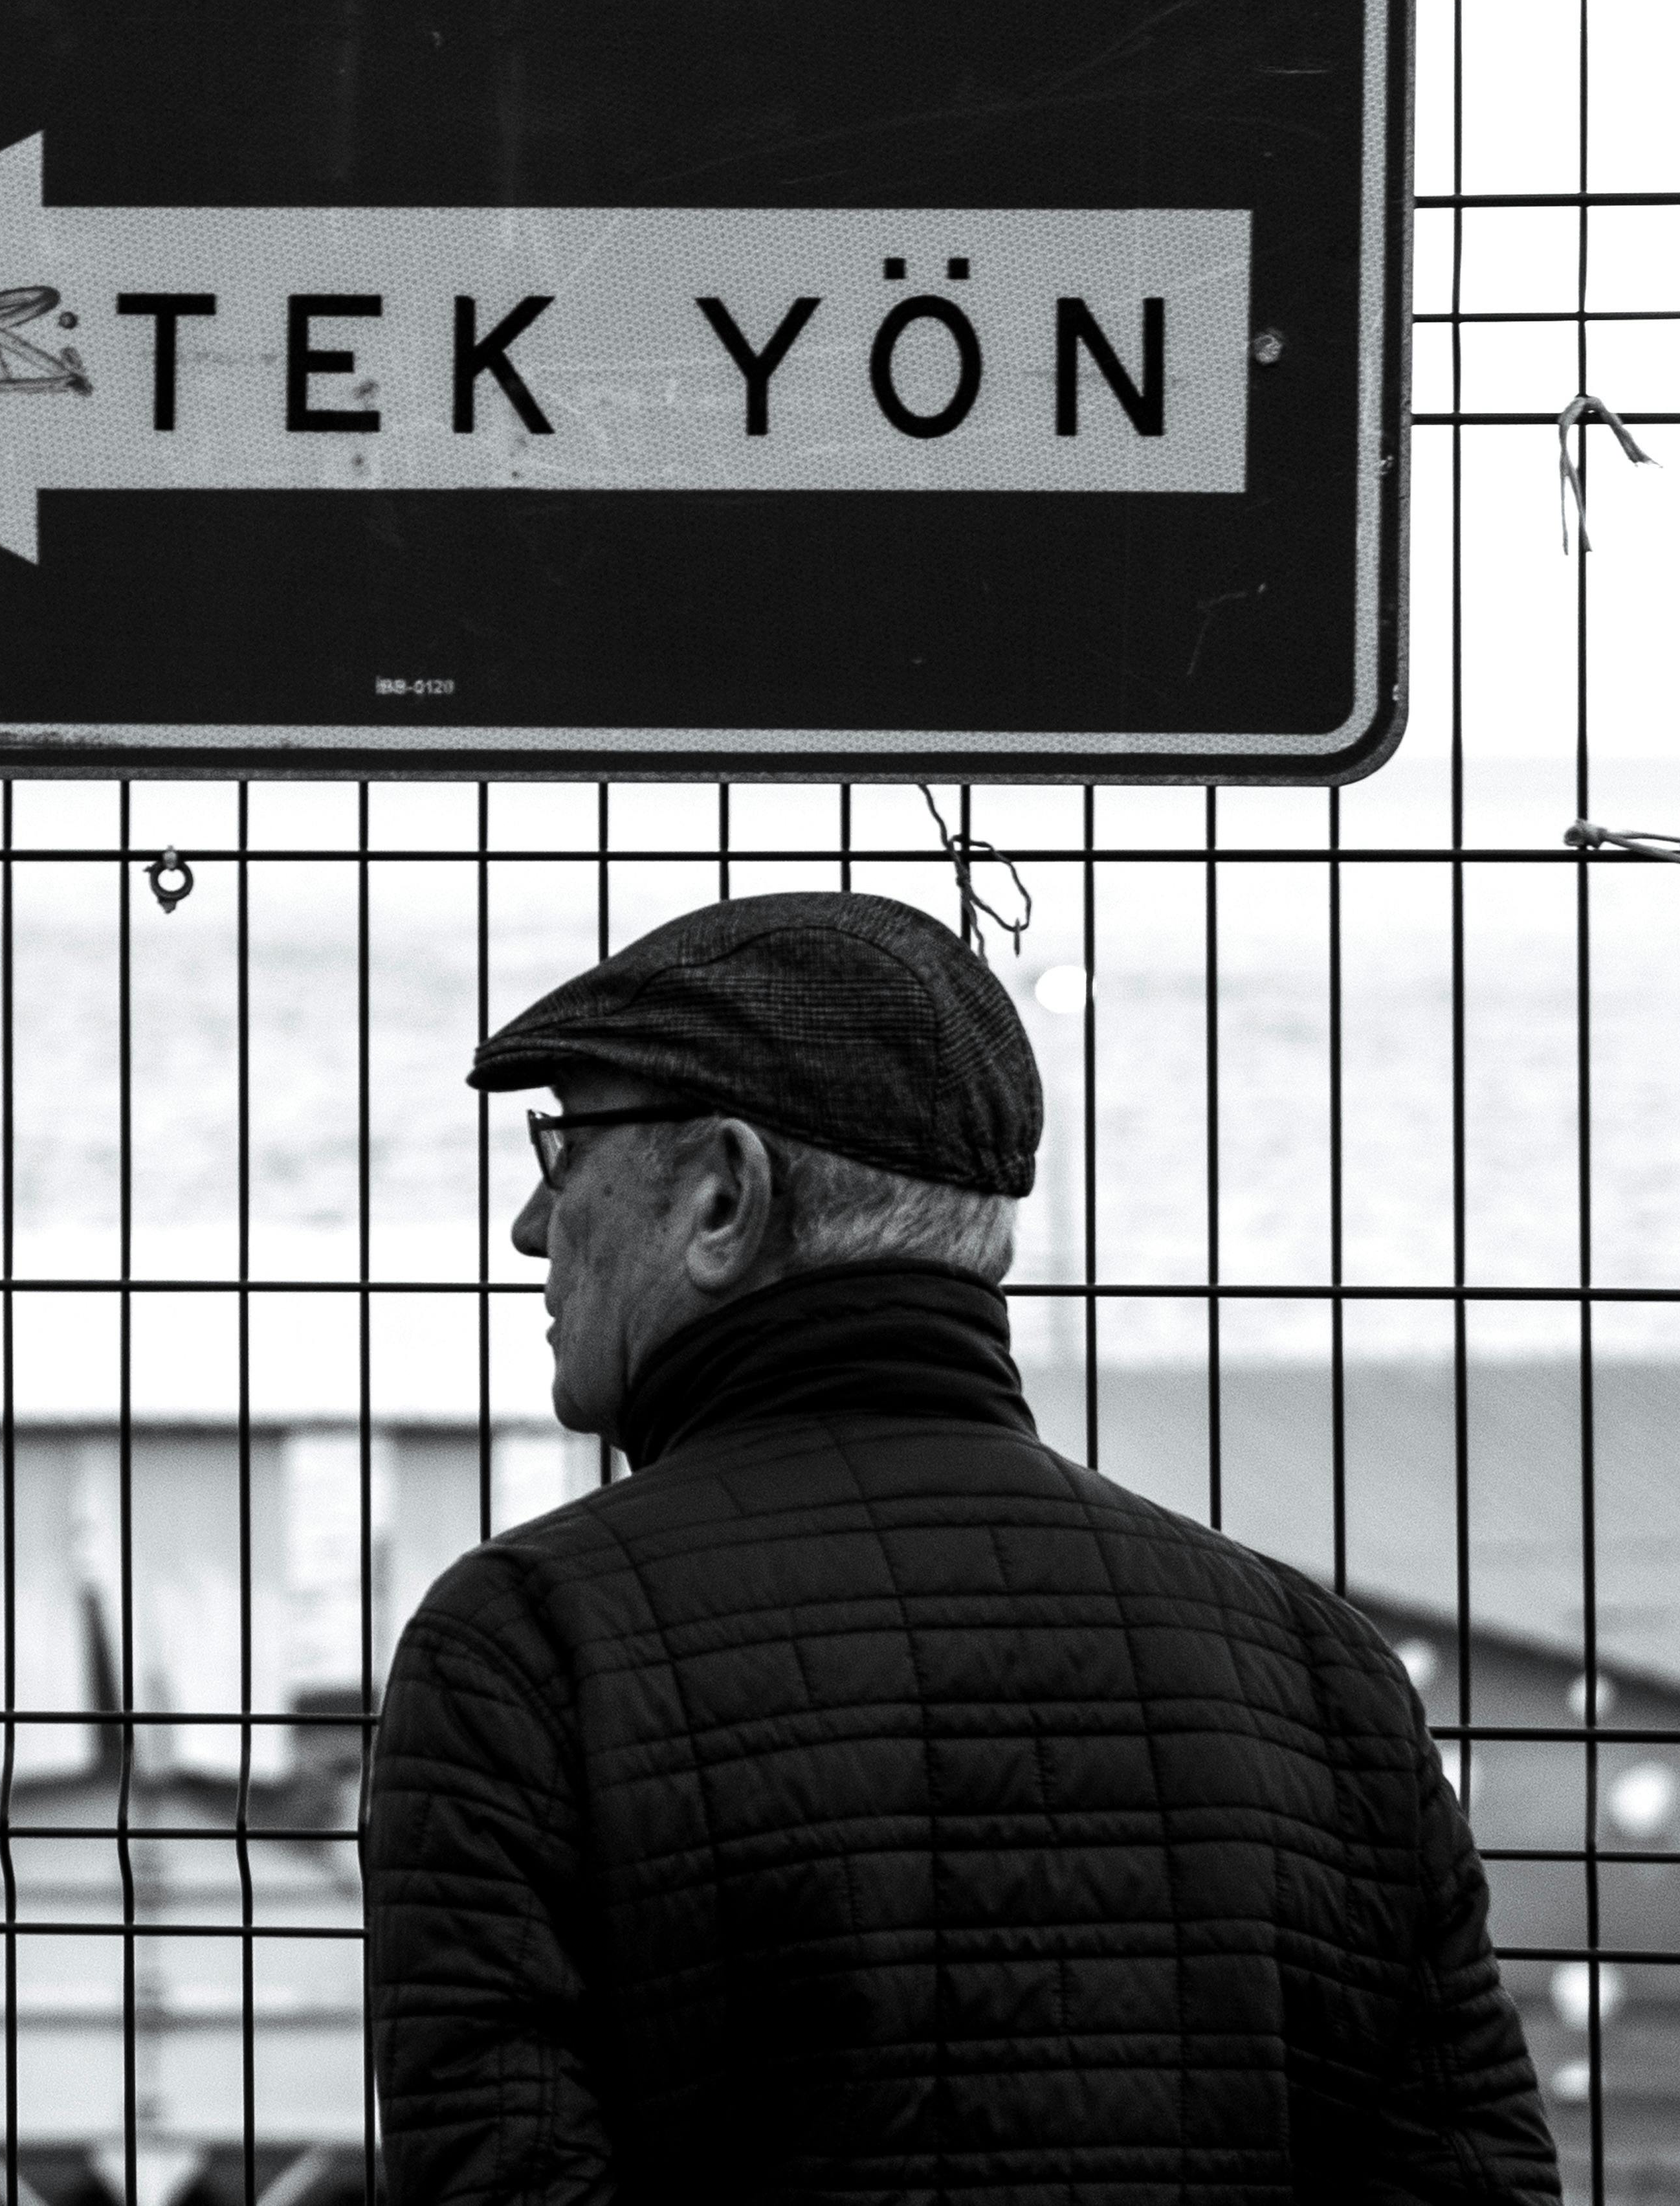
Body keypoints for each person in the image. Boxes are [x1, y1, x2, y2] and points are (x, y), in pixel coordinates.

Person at [363, 890, 1558, 2203]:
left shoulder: (530, 1648)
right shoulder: (1318, 1670)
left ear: (725, 1197)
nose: (531, 1227)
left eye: (562, 1147)